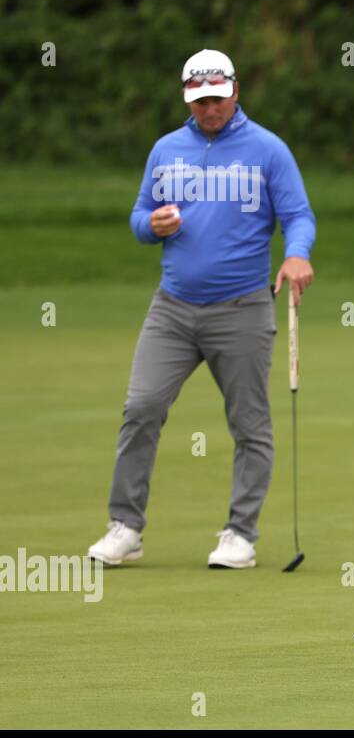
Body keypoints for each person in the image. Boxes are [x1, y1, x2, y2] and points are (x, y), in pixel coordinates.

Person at [87, 49, 317, 569]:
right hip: (171, 309)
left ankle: (240, 533)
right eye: (198, 100)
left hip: (242, 308)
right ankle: (125, 526)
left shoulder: (267, 150)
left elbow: (298, 215)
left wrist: (297, 255)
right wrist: (153, 226)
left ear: (235, 92)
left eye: (215, 98)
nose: (208, 109)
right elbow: (139, 217)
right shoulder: (166, 149)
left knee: (249, 423)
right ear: (186, 97)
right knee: (141, 408)